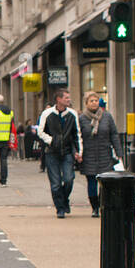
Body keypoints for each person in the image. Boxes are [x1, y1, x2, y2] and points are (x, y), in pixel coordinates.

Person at [37, 88, 83, 218]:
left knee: (69, 179)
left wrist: (79, 151)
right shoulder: (47, 114)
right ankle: (60, 208)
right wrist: (51, 140)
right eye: (66, 97)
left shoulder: (72, 114)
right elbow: (40, 131)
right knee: (55, 183)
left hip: (67, 152)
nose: (69, 100)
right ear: (58, 99)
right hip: (52, 152)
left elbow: (77, 134)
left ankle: (64, 199)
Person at [78, 94, 120, 217]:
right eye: (91, 101)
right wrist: (78, 152)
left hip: (104, 154)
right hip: (89, 154)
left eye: (96, 100)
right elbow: (77, 136)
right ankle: (94, 207)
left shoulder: (107, 117)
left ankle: (103, 205)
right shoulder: (81, 119)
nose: (94, 103)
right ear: (86, 103)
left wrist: (118, 152)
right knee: (92, 183)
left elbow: (114, 134)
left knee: (105, 183)